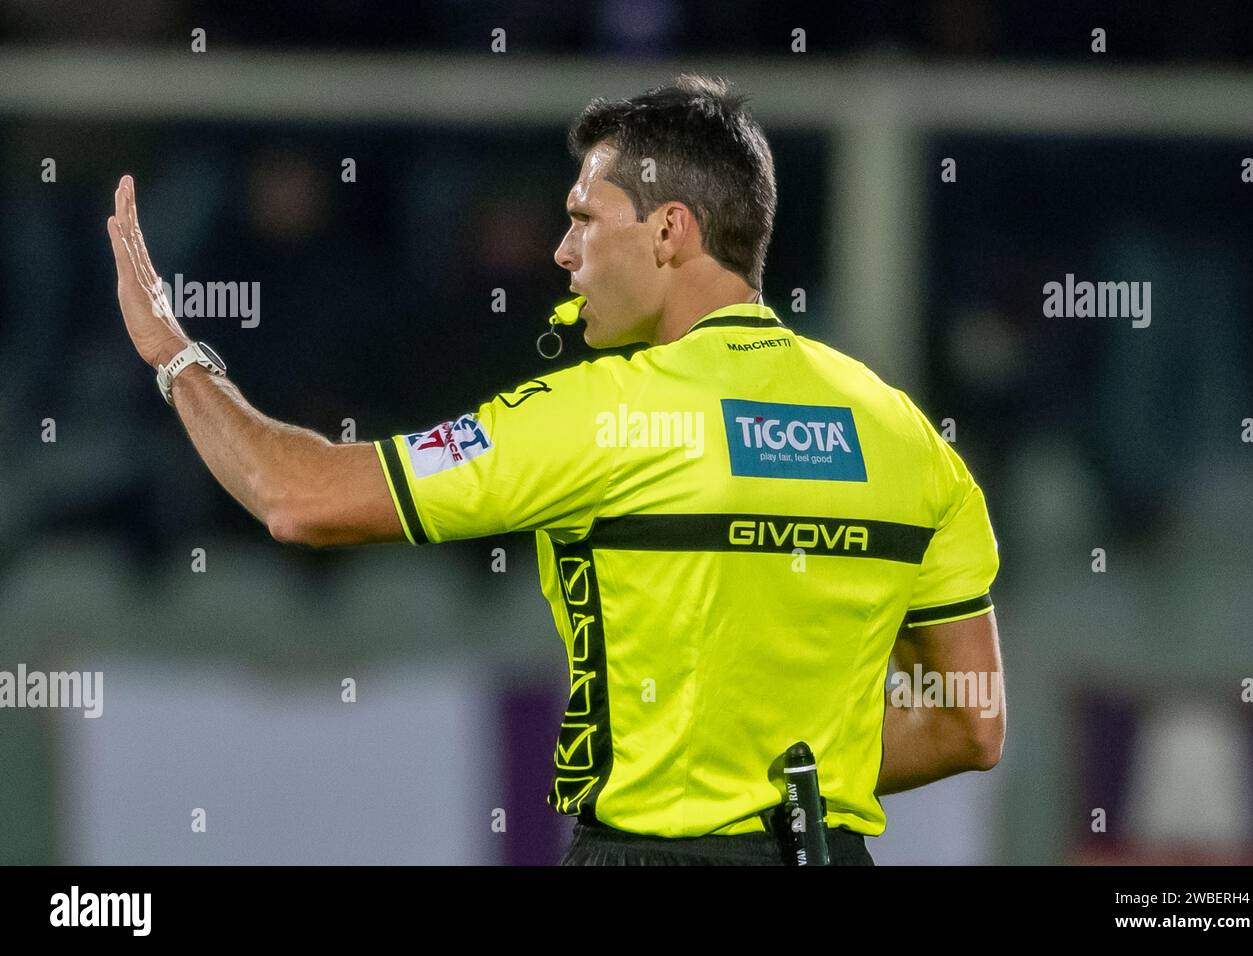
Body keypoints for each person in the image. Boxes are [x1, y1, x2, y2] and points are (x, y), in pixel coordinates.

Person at [107, 73, 1005, 866]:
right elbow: (972, 724)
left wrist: (176, 355)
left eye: (582, 219)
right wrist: (795, 778)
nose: (561, 253)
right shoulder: (906, 436)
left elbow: (297, 496)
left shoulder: (603, 414)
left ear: (669, 231)